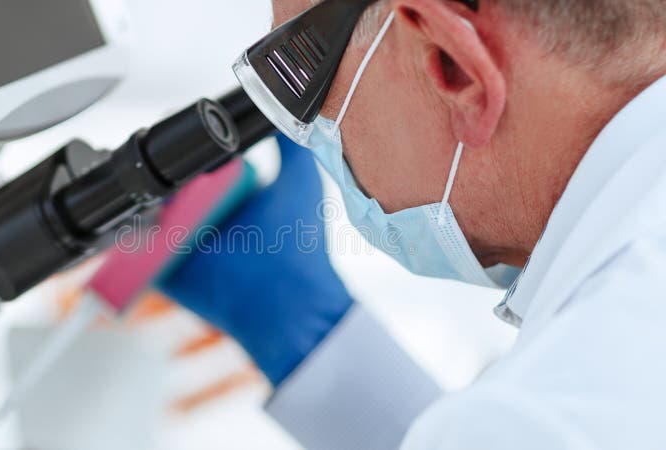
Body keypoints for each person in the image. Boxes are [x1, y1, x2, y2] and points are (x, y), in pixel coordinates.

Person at [160, 0, 666, 448]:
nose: (312, 134)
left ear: (453, 64)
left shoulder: (545, 415)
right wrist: (311, 342)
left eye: (297, 81)